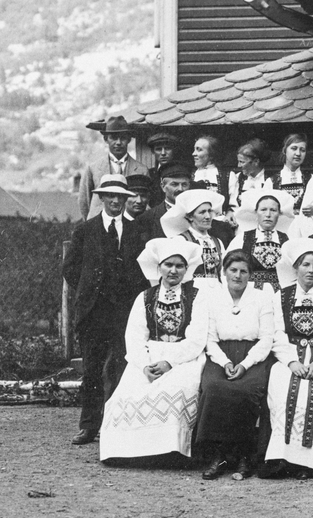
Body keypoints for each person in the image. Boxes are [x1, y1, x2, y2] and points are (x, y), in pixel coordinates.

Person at [99, 238, 208, 461]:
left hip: (184, 357)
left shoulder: (196, 297)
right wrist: (144, 365)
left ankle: (170, 450)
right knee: (126, 395)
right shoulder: (145, 297)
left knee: (178, 391)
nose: (173, 271)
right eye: (168, 265)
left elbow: (197, 339)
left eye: (179, 266)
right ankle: (127, 452)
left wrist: (169, 362)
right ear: (159, 268)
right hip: (148, 358)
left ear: (187, 269)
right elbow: (135, 336)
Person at [62, 174, 149, 445]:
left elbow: (143, 270)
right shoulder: (85, 230)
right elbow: (71, 268)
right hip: (94, 313)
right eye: (109, 196)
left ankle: (117, 424)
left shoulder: (136, 231)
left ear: (126, 199)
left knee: (123, 366)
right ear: (100, 198)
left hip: (125, 312)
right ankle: (89, 425)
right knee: (92, 370)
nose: (115, 201)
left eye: (120, 196)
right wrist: (89, 292)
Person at [262, 238, 313, 479]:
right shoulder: (281, 296)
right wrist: (291, 362)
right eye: (305, 265)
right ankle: (285, 460)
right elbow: (276, 332)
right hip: (289, 356)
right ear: (295, 268)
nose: (310, 270)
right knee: (282, 387)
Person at [194, 249, 276, 480]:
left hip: (254, 356)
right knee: (213, 389)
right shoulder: (212, 298)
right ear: (224, 272)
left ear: (250, 275)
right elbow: (209, 338)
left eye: (243, 271)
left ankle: (243, 456)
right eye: (233, 270)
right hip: (221, 355)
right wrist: (226, 362)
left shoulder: (261, 297)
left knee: (247, 390)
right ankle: (217, 456)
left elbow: (267, 338)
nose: (238, 276)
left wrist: (246, 364)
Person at [78, 116, 149, 220]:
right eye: (114, 138)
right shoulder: (93, 168)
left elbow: (144, 202)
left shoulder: (141, 170)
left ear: (129, 140)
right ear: (106, 139)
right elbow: (84, 202)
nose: (118, 142)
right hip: (99, 227)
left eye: (123, 138)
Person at [161, 189, 227, 290]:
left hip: (217, 294)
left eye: (209, 211)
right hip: (192, 293)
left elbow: (223, 273)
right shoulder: (181, 241)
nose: (208, 216)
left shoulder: (217, 242)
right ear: (190, 216)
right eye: (202, 212)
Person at [232, 189, 296, 293]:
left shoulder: (287, 240)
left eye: (273, 210)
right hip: (251, 292)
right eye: (263, 210)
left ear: (279, 213)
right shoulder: (242, 239)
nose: (268, 214)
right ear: (256, 212)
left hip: (280, 292)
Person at [271, 133, 313, 240]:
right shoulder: (271, 181)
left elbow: (306, 212)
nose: (298, 153)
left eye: (302, 150)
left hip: (304, 231)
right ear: (285, 150)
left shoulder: (312, 179)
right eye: (294, 148)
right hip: (280, 229)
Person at [146, 162, 192, 239]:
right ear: (163, 186)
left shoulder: (198, 215)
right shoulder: (147, 218)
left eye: (184, 185)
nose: (180, 189)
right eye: (174, 184)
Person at [228, 139, 273, 217]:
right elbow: (233, 206)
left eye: (242, 162)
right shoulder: (237, 178)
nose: (238, 166)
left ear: (256, 161)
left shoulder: (271, 180)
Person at [146, 131, 182, 208]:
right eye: (158, 149)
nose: (163, 153)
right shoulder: (149, 174)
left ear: (174, 150)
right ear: (153, 151)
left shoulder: (182, 173)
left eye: (167, 148)